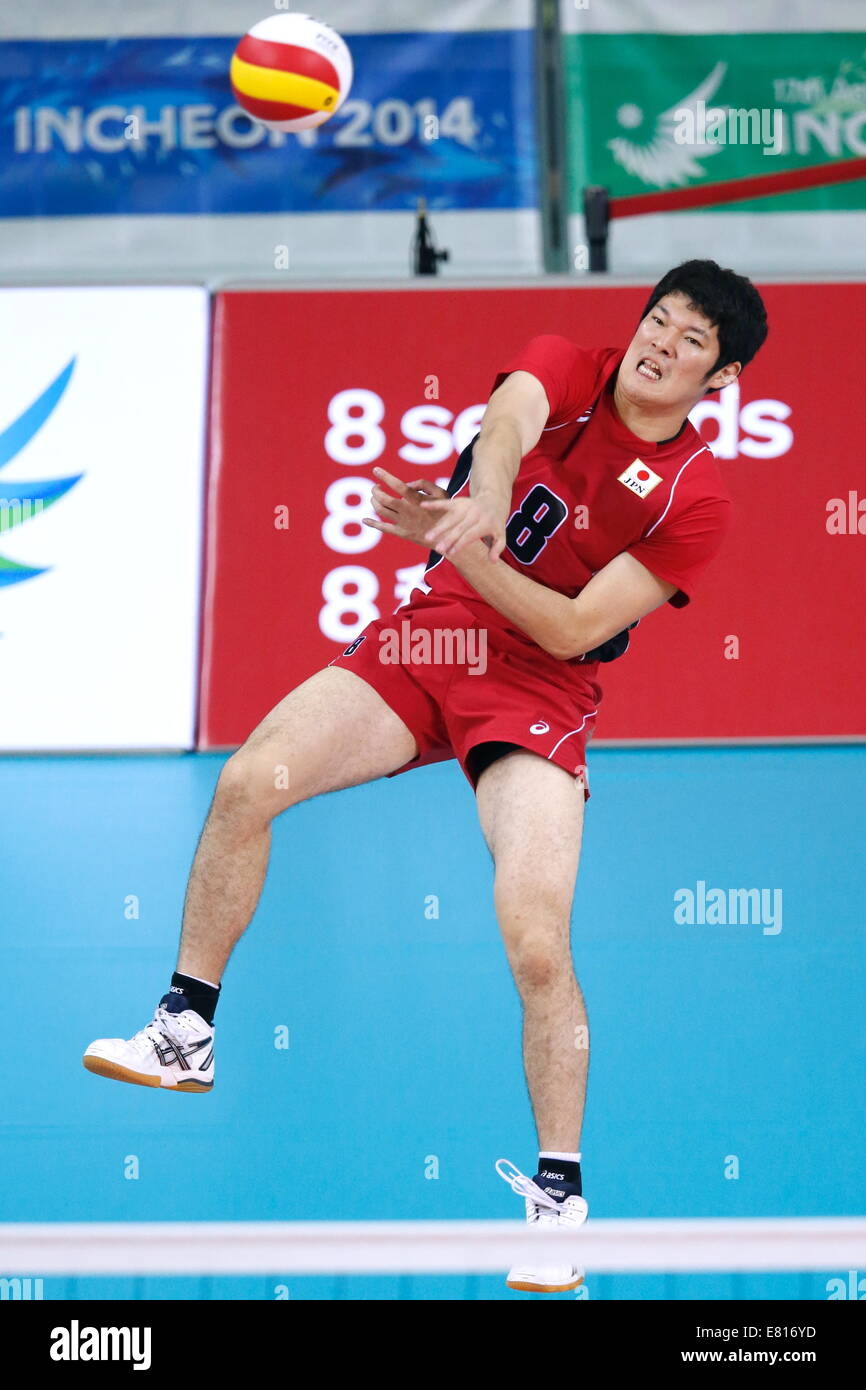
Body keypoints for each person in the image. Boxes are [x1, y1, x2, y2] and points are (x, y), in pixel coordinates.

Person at [84, 259, 768, 1294]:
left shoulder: (695, 499)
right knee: (248, 779)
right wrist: (478, 501)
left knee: (536, 938)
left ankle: (557, 1204)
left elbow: (575, 624)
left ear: (717, 380)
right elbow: (504, 423)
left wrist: (468, 547)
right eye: (656, 318)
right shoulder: (565, 367)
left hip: (538, 686)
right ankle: (184, 1026)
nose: (659, 343)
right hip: (429, 641)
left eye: (689, 342)